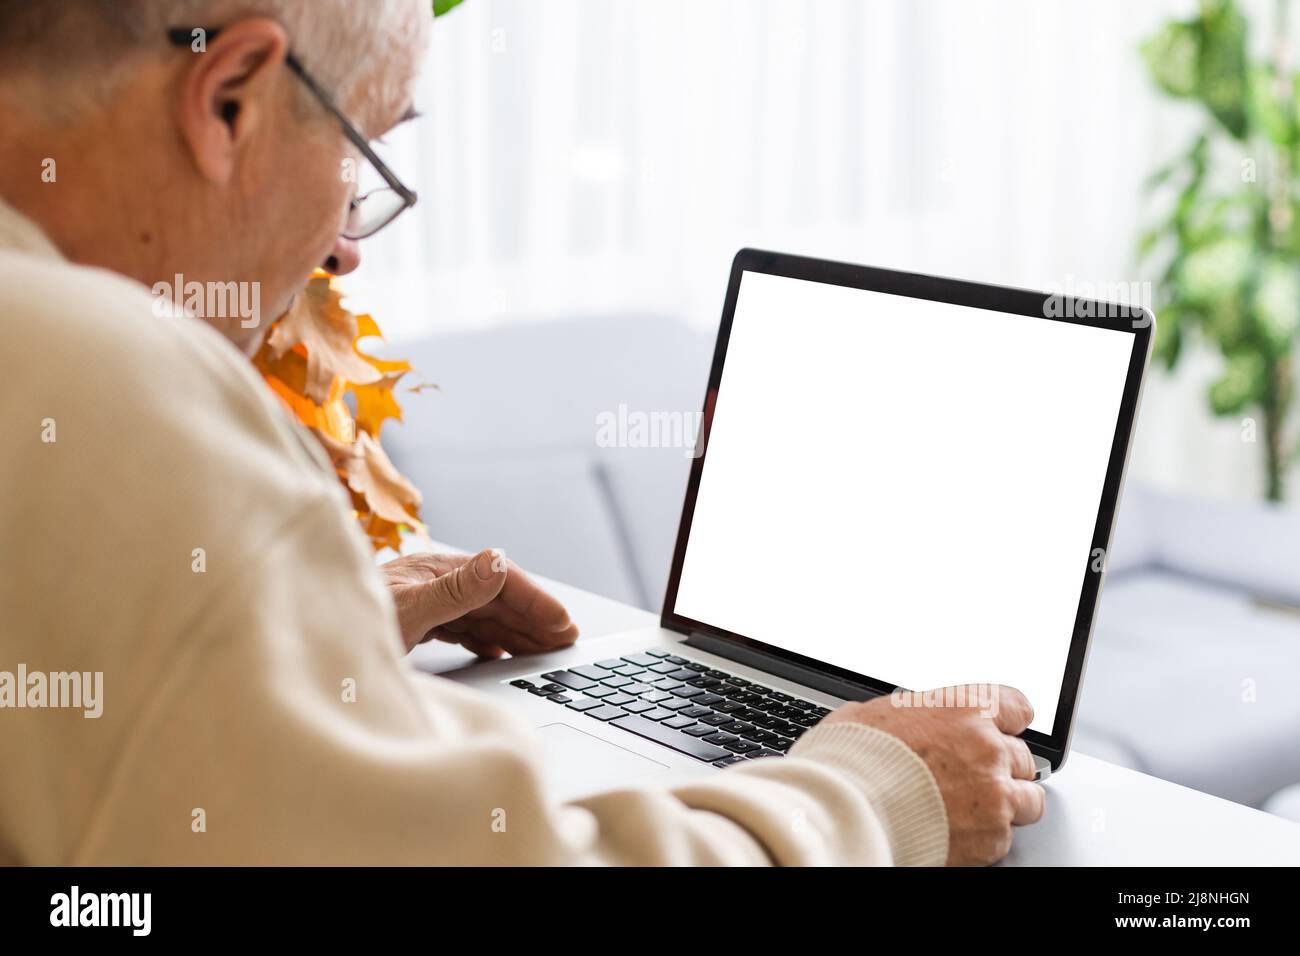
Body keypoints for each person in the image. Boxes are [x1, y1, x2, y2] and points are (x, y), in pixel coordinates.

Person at [0, 0, 1044, 865]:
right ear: (228, 97)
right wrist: (869, 790)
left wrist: (285, 630)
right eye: (363, 159)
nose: (343, 253)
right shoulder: (104, 376)